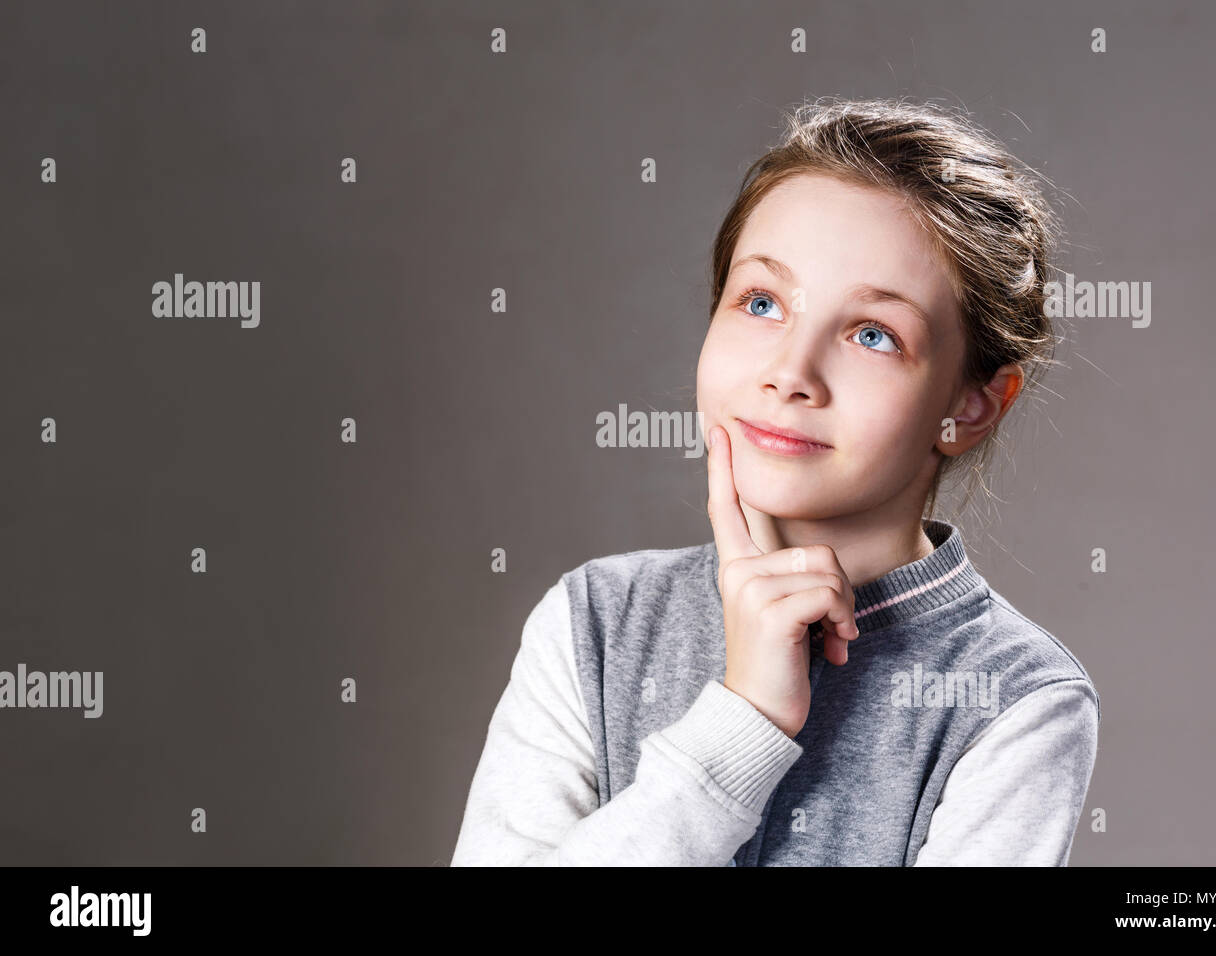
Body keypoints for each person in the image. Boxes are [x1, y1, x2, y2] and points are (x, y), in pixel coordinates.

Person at [451, 97, 1099, 866]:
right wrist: (743, 721)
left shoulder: (1020, 699)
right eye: (762, 302)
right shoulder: (594, 623)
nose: (790, 374)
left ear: (972, 404)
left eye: (872, 335)